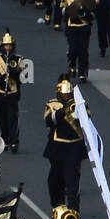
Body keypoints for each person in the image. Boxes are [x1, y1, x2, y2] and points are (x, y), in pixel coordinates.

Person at [44, 78, 84, 211]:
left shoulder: (79, 104)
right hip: (57, 147)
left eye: (68, 94)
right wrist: (63, 110)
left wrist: (75, 108)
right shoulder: (52, 104)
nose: (66, 96)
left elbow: (86, 118)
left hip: (74, 147)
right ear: (59, 94)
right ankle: (58, 205)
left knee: (72, 180)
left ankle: (73, 209)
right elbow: (50, 120)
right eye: (64, 94)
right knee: (55, 179)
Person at [0, 31, 26, 151]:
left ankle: (14, 141)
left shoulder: (19, 59)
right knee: (2, 117)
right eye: (6, 46)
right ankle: (5, 138)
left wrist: (13, 74)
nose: (8, 48)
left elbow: (24, 78)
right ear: (2, 46)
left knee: (12, 117)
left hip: (13, 92)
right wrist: (1, 78)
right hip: (0, 92)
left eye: (10, 46)